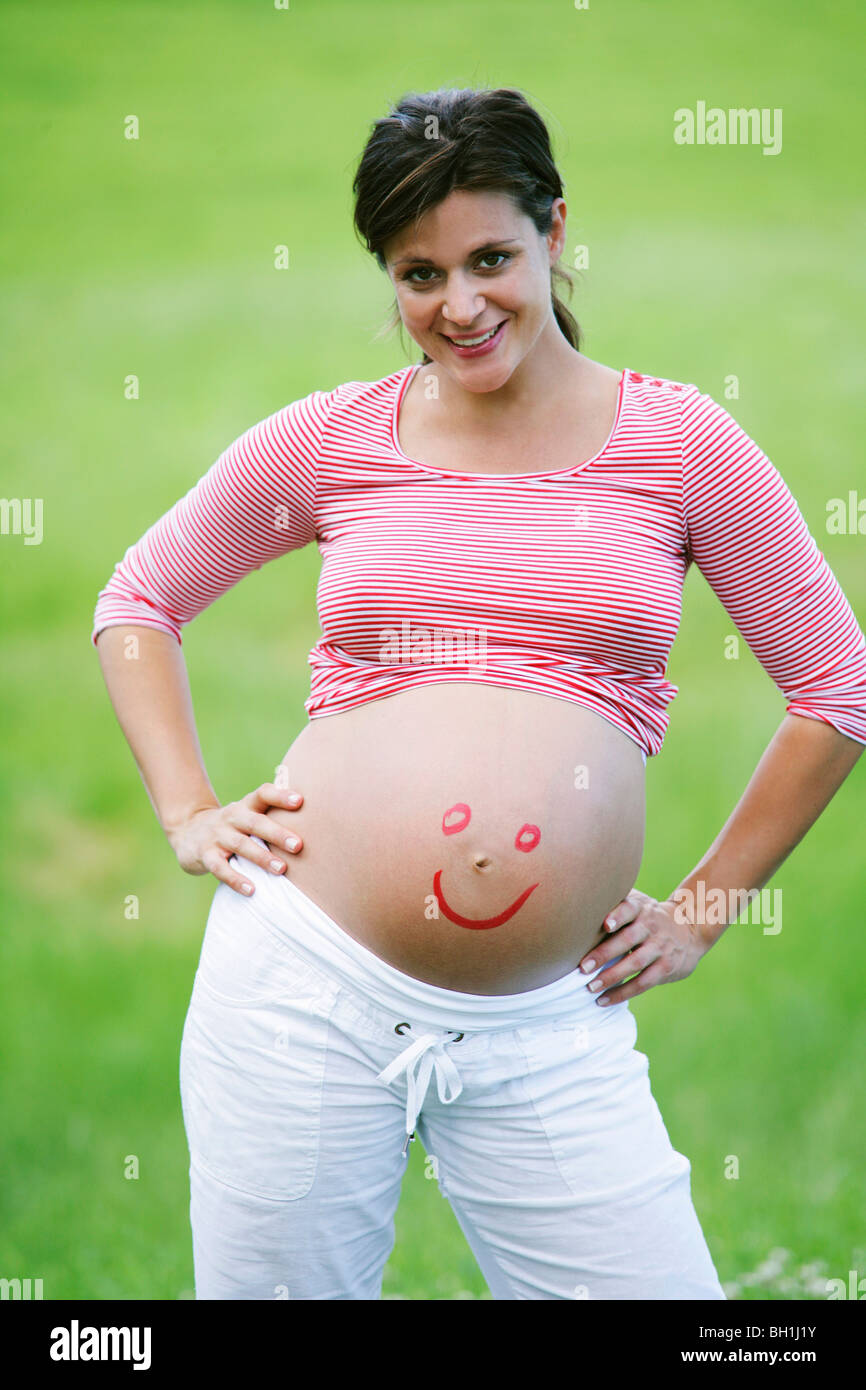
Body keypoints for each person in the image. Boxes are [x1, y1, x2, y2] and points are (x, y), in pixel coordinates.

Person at [91, 86, 866, 1301]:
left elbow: (832, 687)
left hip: (543, 1029)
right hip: (299, 986)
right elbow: (140, 600)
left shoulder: (681, 446)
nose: (457, 307)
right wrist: (187, 808)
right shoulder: (333, 440)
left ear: (555, 229)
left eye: (490, 258)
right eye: (416, 274)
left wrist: (705, 908)